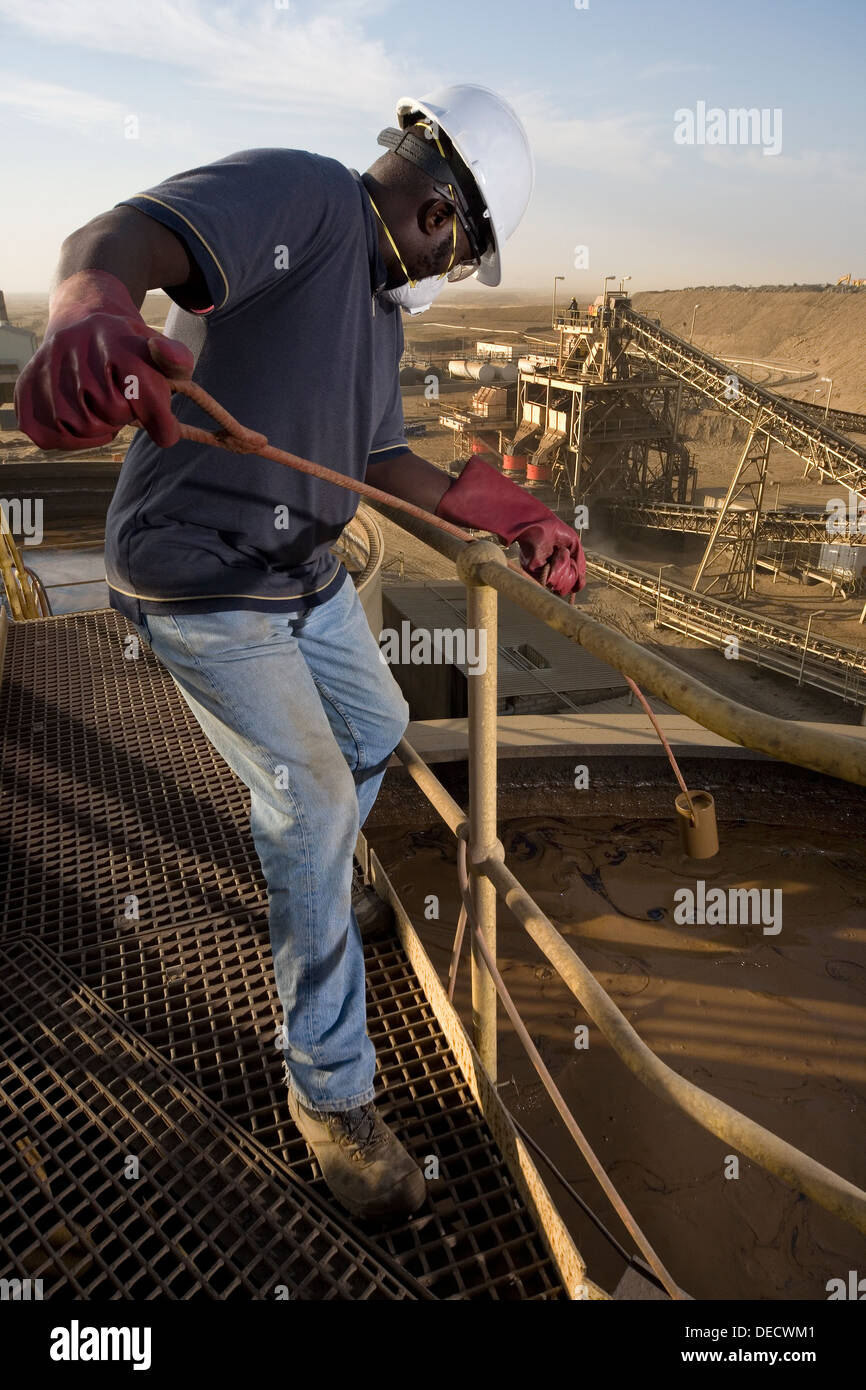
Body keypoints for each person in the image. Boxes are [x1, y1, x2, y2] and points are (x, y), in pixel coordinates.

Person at [15, 84, 585, 1221]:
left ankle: (314, 876)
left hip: (301, 574)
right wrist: (87, 305)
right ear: (440, 220)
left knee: (373, 735)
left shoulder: (377, 314)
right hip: (200, 573)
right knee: (318, 801)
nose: (440, 271)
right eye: (458, 253)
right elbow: (124, 237)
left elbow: (379, 464)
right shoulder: (307, 197)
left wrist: (506, 509)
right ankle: (329, 1093)